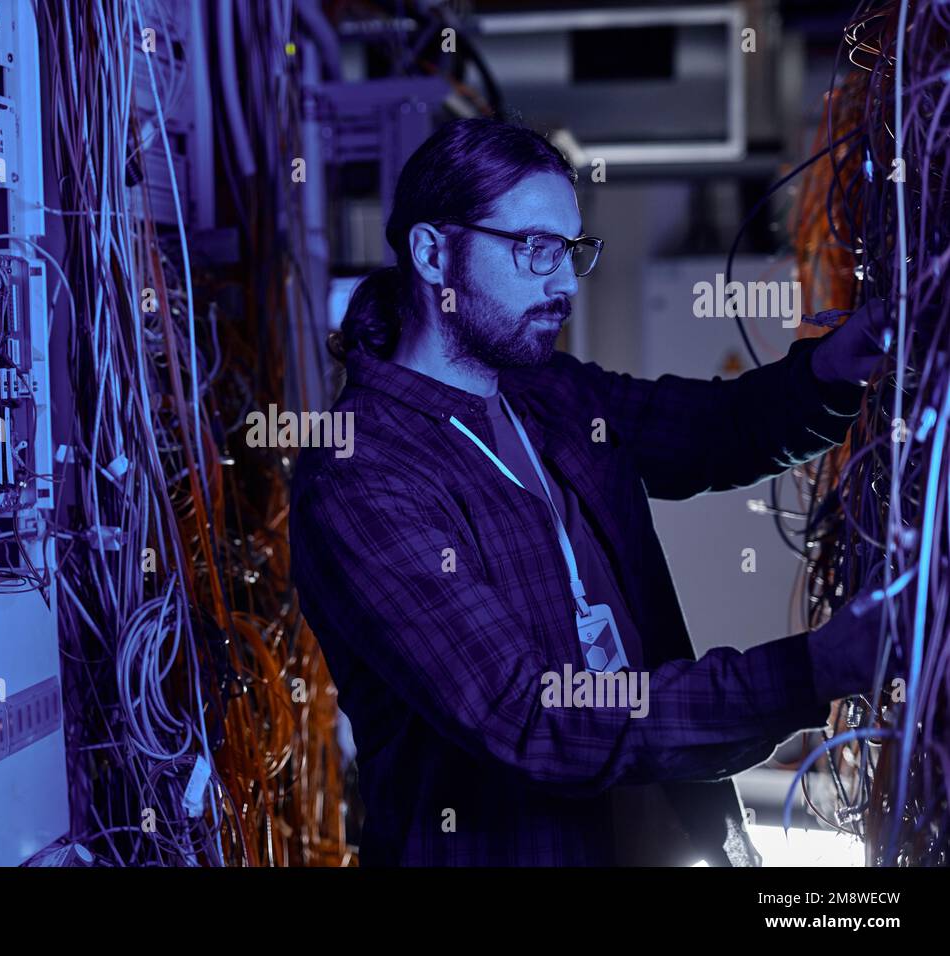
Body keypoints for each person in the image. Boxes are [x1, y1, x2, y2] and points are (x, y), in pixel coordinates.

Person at [289, 117, 889, 866]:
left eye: (573, 250)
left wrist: (843, 363)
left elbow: (716, 429)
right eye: (535, 249)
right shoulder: (359, 475)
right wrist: (813, 670)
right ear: (433, 252)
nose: (565, 280)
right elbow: (529, 713)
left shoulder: (547, 392)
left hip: (656, 827)